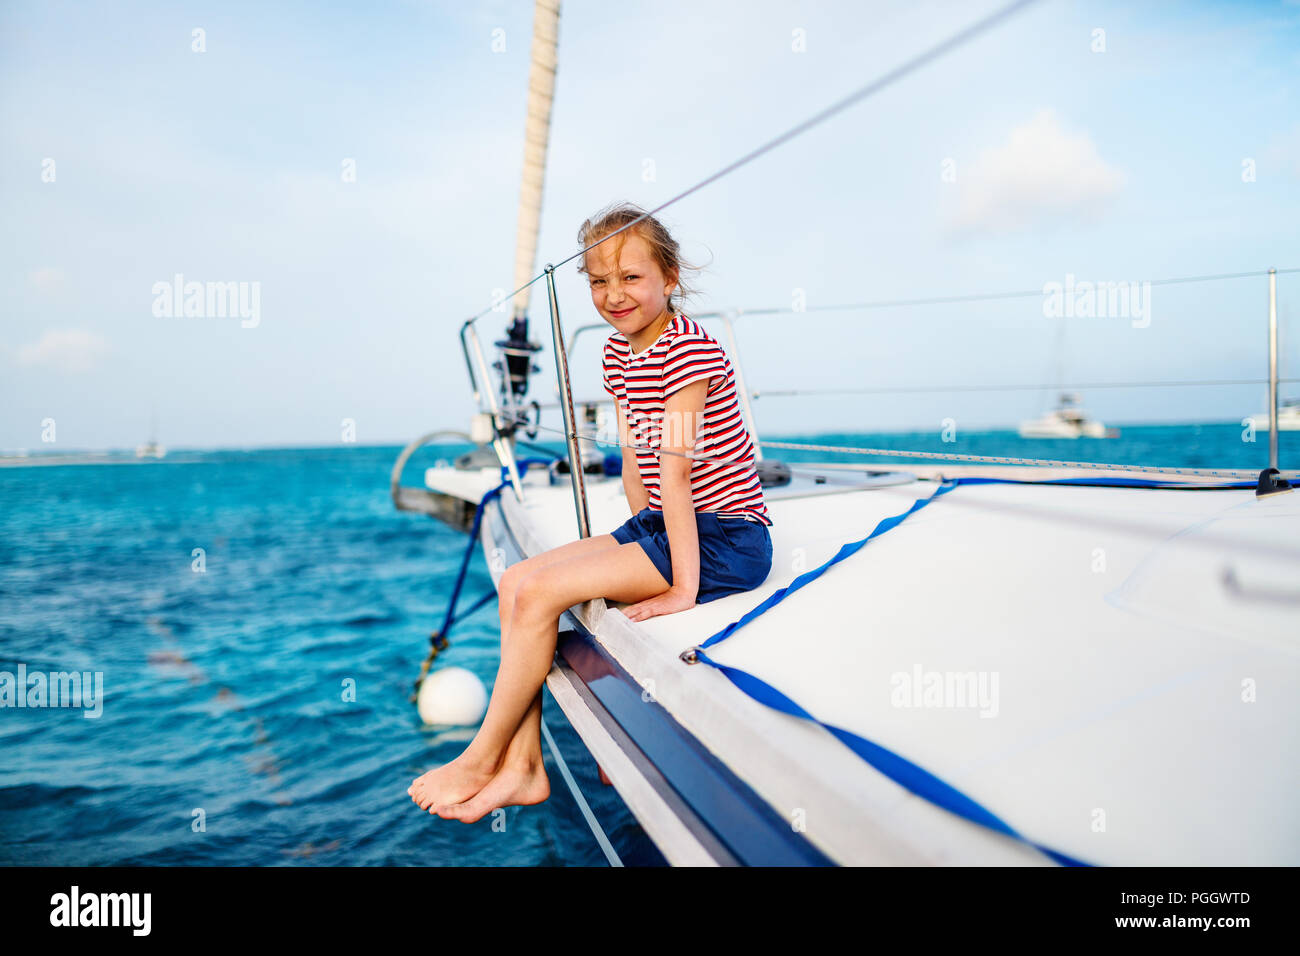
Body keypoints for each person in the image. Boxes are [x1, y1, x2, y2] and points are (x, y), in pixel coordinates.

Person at [408, 201, 773, 822]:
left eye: (631, 277)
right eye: (599, 281)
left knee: (545, 593)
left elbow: (678, 474)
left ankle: (481, 757)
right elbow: (637, 466)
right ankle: (524, 766)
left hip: (726, 541)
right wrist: (630, 545)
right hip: (670, 525)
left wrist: (681, 587)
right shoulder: (617, 354)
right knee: (520, 582)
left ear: (670, 278)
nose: (614, 295)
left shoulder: (691, 351)